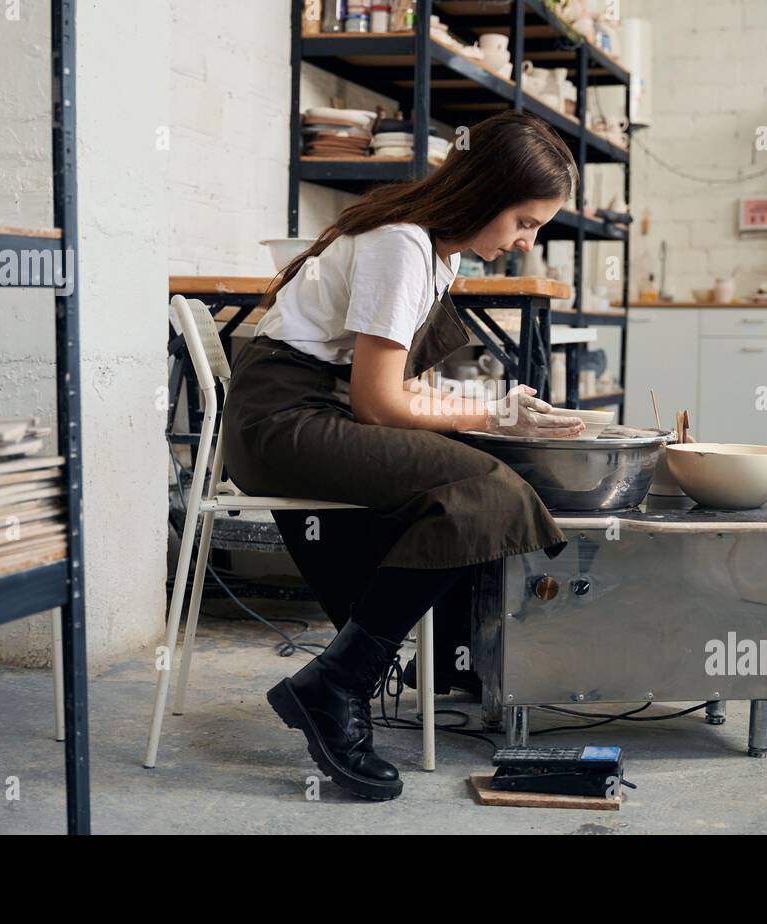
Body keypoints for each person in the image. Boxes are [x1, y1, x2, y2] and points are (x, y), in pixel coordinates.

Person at [221, 111, 584, 800]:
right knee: (489, 492)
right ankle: (334, 685)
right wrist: (488, 413)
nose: (526, 243)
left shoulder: (436, 254)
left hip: (314, 408)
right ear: (484, 193)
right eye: (525, 223)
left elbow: (403, 387)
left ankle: (454, 659)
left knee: (485, 467)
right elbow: (379, 404)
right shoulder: (401, 245)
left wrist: (491, 415)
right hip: (280, 420)